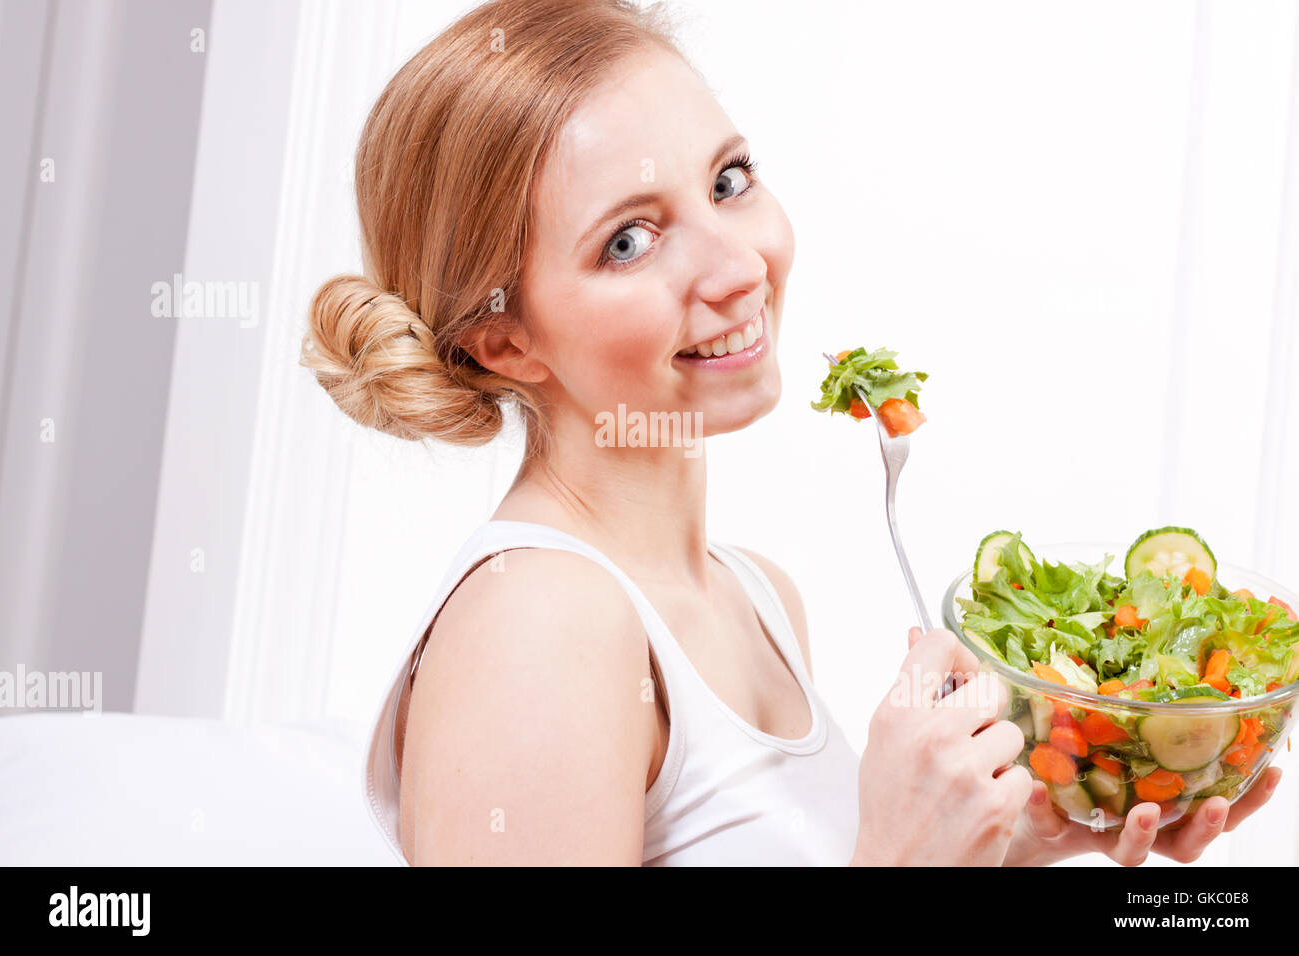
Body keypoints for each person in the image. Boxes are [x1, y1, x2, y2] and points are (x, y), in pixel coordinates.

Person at [301, 0, 1279, 866]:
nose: (737, 266)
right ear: (505, 341)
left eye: (727, 182)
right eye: (628, 240)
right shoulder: (537, 627)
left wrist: (1013, 833)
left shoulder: (758, 595)